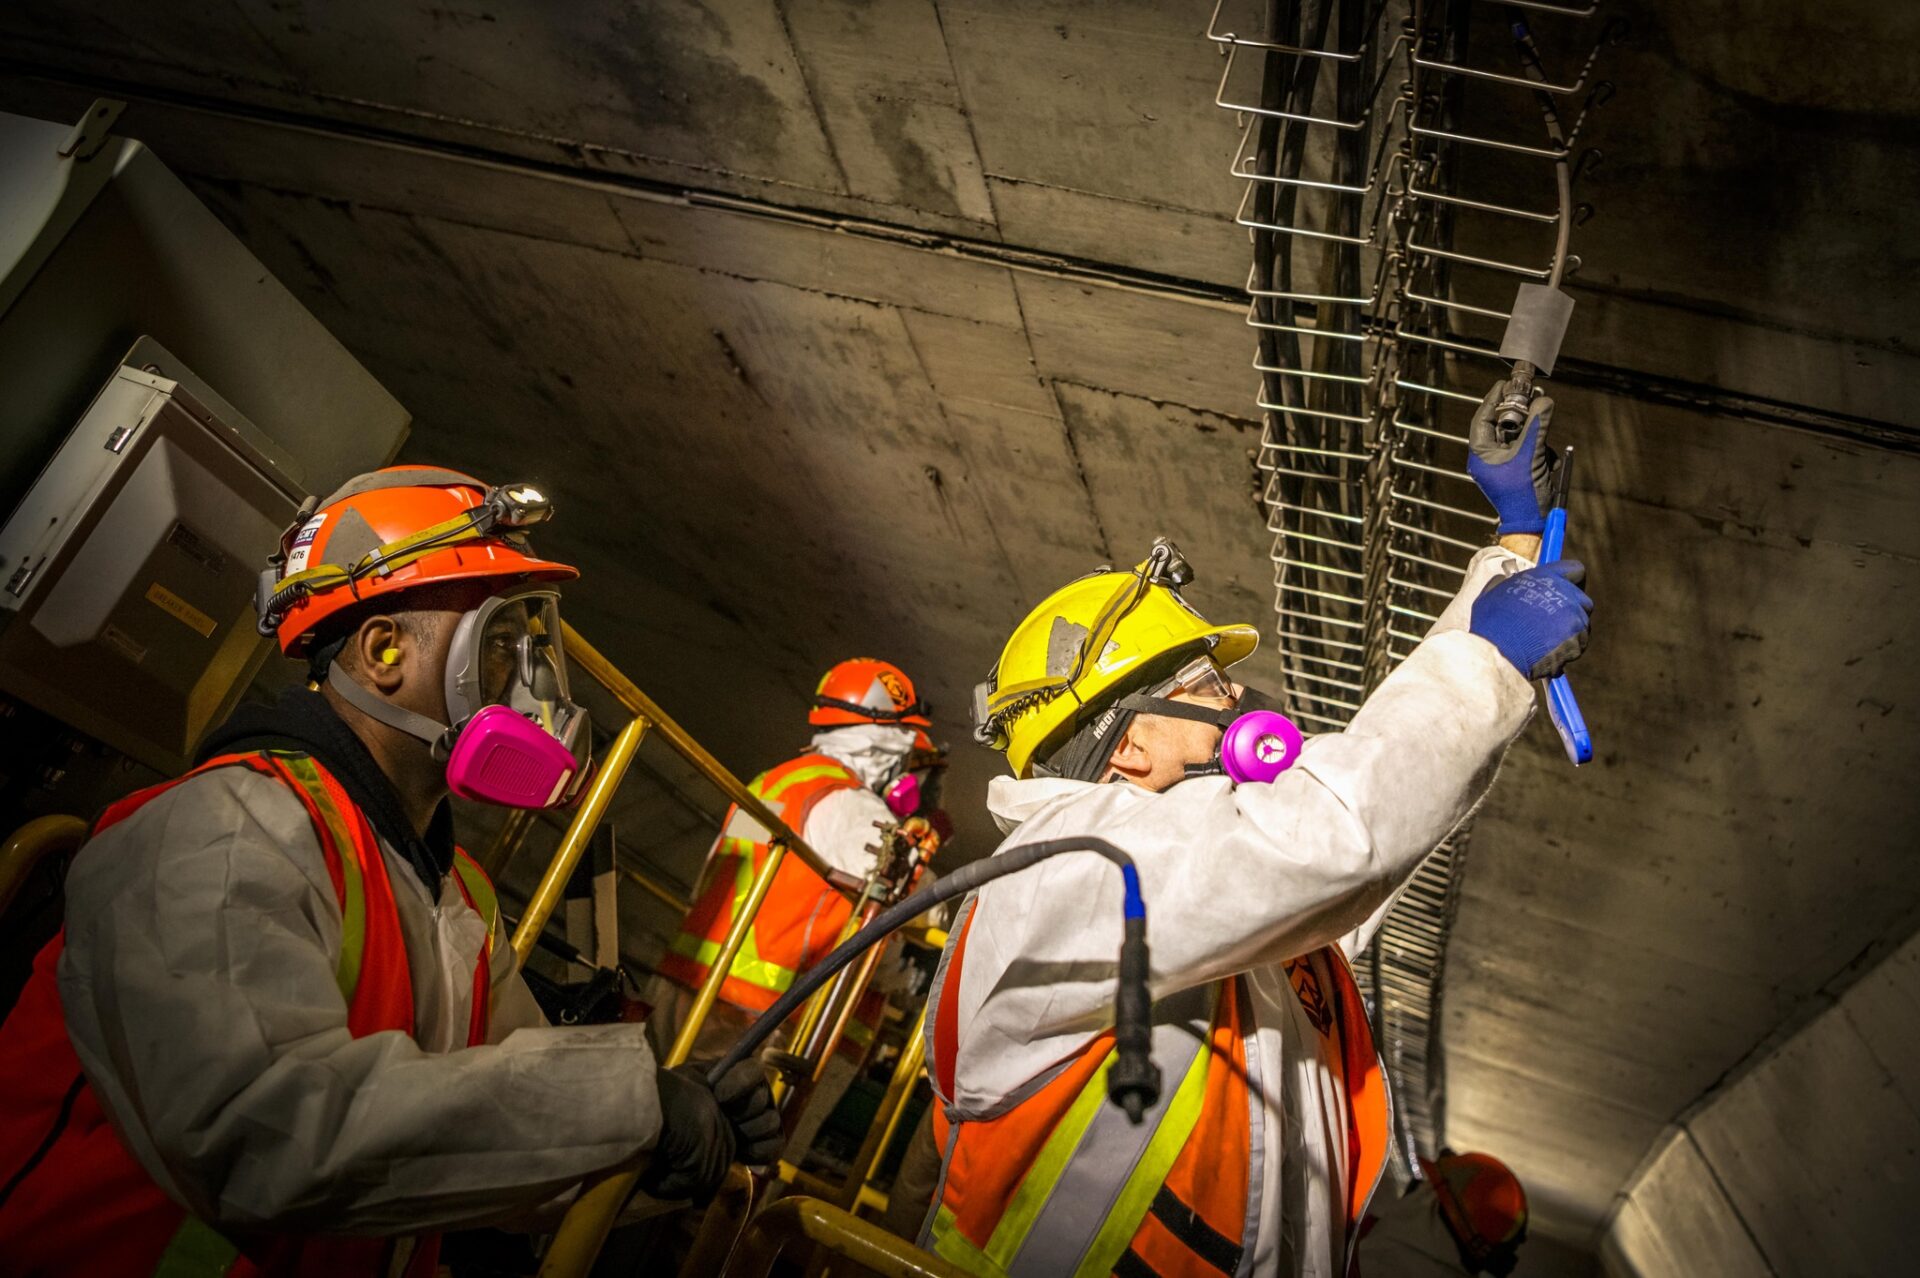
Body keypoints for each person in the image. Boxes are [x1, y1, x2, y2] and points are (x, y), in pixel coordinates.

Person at [0, 467, 780, 1276]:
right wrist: (627, 1106)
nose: (533, 686)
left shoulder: (454, 890)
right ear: (383, 652)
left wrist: (674, 1132)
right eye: (501, 644)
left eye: (530, 646)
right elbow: (263, 1134)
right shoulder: (223, 832)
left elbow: (495, 1149)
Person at [917, 384, 1591, 1278]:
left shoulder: (1232, 923)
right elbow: (1331, 836)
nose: (1238, 696)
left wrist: (1508, 548)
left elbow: (1344, 841)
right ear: (1127, 747)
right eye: (1202, 681)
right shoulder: (1062, 877)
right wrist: (1486, 665)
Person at [648, 658, 937, 1148]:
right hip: (745, 1015)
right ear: (882, 741)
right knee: (707, 1161)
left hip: (687, 981)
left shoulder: (779, 779)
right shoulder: (852, 805)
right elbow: (908, 900)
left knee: (641, 1133)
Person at [1360, 1152, 1529, 1277]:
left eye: (1427, 1185)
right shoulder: (1368, 1243)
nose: (1416, 1187)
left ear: (1435, 1206)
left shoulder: (1370, 1259)